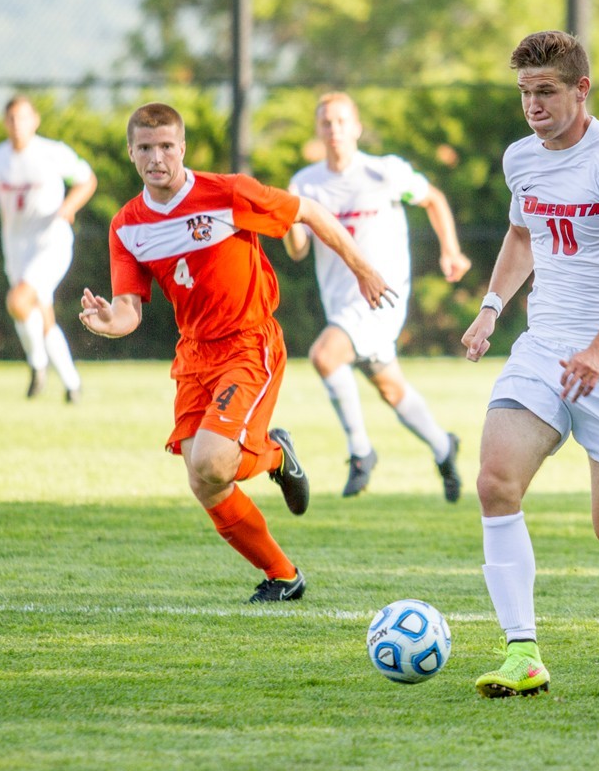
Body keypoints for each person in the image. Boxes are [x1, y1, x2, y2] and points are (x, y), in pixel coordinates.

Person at [78, 102, 393, 602]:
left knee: (214, 461)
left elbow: (306, 211)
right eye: (145, 148)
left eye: (165, 146)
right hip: (194, 354)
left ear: (181, 148)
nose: (156, 157)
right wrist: (106, 323)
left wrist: (361, 267)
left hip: (249, 342)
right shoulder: (127, 226)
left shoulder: (226, 193)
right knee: (204, 480)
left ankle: (273, 454)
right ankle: (284, 576)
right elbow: (128, 310)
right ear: (132, 153)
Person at [459, 30, 599, 698]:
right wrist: (492, 306)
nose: (533, 106)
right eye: (525, 93)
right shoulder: (521, 160)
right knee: (496, 480)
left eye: (547, 92)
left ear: (581, 89)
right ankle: (521, 650)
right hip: (545, 344)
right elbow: (524, 234)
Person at [284, 92, 473, 501]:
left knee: (324, 355)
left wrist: (450, 250)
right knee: (390, 388)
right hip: (341, 301)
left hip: (382, 297)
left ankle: (361, 454)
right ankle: (444, 447)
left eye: (341, 121)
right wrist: (287, 221)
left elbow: (433, 199)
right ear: (318, 131)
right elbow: (298, 251)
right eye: (326, 123)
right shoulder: (305, 182)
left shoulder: (382, 173)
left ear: (356, 128)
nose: (334, 130)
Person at [0, 95, 97, 402]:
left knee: (18, 300)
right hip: (17, 249)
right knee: (40, 313)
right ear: (5, 122)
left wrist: (68, 207)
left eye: (23, 118)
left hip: (51, 244)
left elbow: (87, 180)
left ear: (35, 120)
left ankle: (38, 363)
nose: (17, 125)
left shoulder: (52, 152)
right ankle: (72, 384)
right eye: (11, 118)